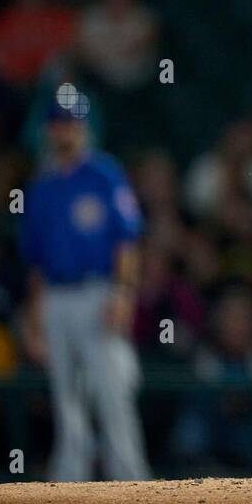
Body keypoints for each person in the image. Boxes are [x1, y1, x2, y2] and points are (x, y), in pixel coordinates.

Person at [17, 92, 151, 481]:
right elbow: (36, 262)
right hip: (56, 296)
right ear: (49, 129)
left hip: (97, 292)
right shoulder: (40, 186)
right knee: (66, 398)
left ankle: (132, 482)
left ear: (84, 127)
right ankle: (69, 485)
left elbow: (127, 240)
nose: (66, 130)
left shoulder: (105, 174)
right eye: (60, 122)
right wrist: (35, 318)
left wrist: (123, 293)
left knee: (111, 393)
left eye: (73, 122)